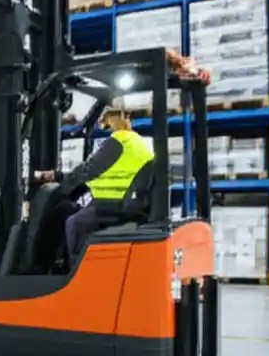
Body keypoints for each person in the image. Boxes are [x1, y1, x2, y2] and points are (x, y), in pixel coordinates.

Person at [35, 51, 210, 259]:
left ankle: (69, 264)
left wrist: (61, 184)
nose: (106, 123)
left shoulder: (119, 141)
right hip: (127, 206)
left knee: (72, 223)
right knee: (72, 214)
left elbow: (88, 171)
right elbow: (101, 174)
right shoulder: (137, 142)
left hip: (115, 209)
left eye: (108, 118)